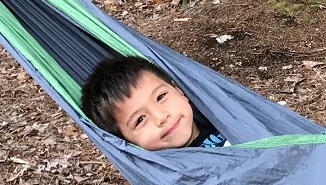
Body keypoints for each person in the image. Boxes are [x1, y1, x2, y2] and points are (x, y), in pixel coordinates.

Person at [81, 55, 228, 150]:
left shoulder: (227, 117)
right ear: (127, 142)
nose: (161, 117)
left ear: (178, 91)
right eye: (139, 120)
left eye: (160, 97)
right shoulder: (172, 179)